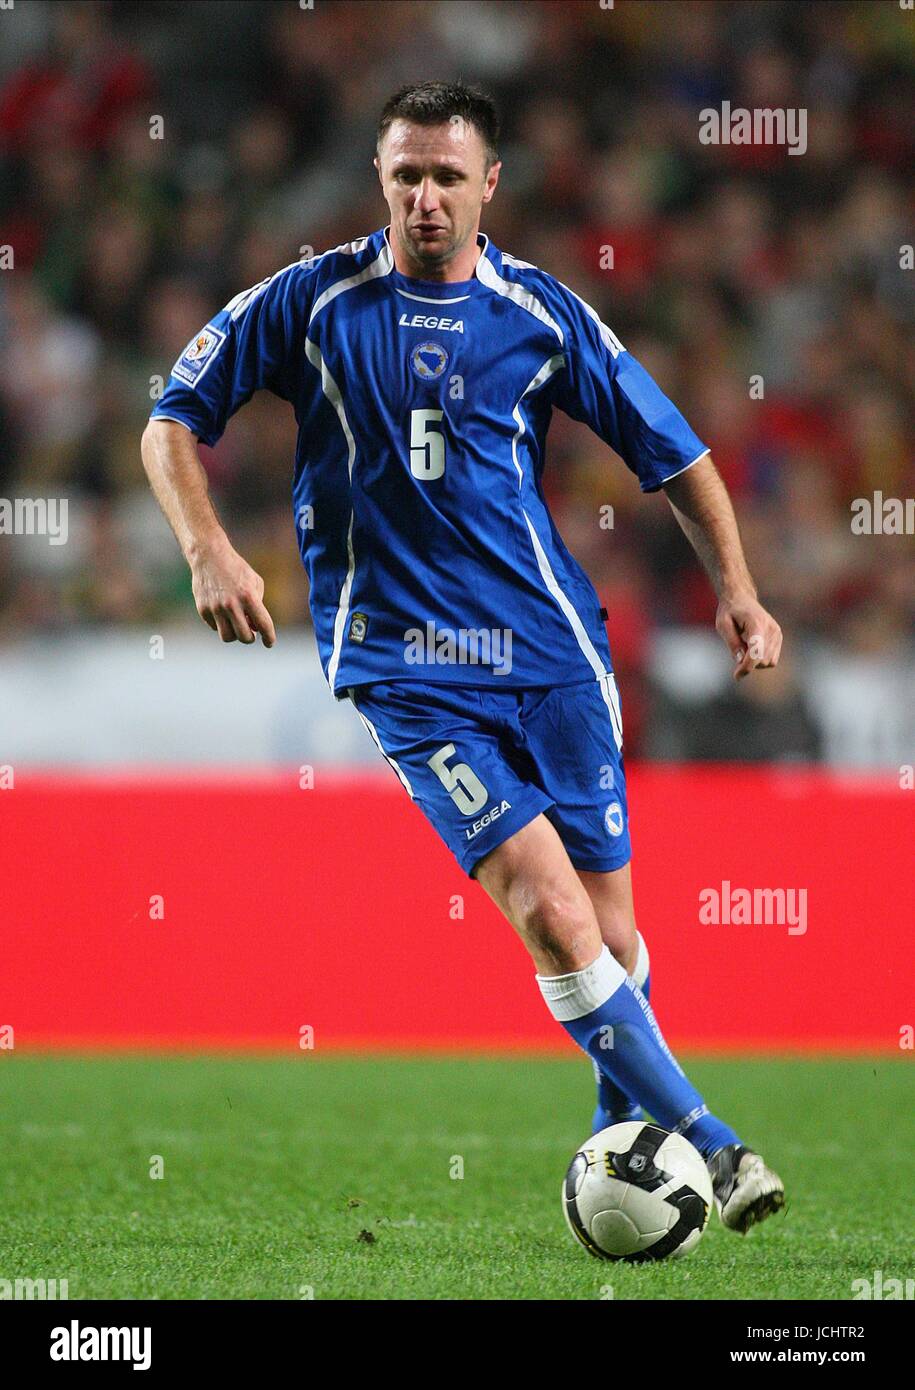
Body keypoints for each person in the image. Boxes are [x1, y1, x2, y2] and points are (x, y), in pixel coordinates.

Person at [142, 81, 785, 1233]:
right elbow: (171, 416)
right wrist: (206, 549)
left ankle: (618, 1156)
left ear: (490, 185)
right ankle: (716, 1147)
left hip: (551, 659)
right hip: (407, 671)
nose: (426, 198)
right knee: (551, 915)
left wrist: (737, 589)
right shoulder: (310, 301)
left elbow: (677, 455)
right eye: (406, 176)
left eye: (448, 176)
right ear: (379, 182)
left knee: (616, 937)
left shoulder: (543, 315)